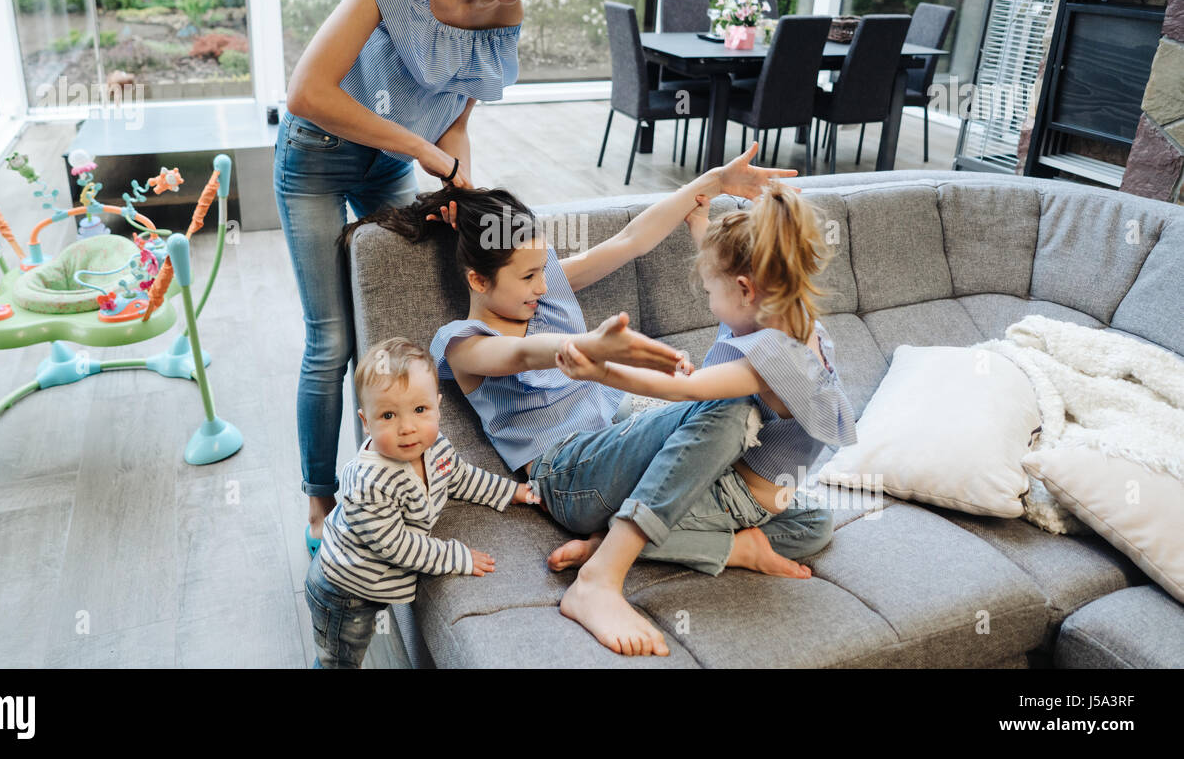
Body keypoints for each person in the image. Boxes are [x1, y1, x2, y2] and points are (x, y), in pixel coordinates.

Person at [342, 145, 820, 656]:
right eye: (527, 277)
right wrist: (584, 347)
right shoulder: (463, 343)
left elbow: (632, 240)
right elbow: (525, 354)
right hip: (569, 475)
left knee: (809, 524)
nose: (543, 285)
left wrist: (714, 180)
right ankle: (598, 581)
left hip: (625, 442)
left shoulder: (545, 294)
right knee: (730, 407)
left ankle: (616, 542)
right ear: (479, 280)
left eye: (542, 268)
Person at [276, 0, 581, 556]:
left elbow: (455, 123)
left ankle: (384, 475)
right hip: (316, 152)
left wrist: (456, 182)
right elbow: (307, 91)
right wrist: (423, 150)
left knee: (381, 332)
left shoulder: (505, 13)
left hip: (393, 161)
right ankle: (322, 496)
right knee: (332, 341)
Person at [551, 179, 856, 580]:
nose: (710, 299)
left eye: (711, 290)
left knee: (813, 521)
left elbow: (685, 389)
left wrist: (602, 371)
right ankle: (719, 541)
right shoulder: (794, 318)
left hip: (733, 497)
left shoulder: (771, 360)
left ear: (746, 289)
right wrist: (701, 226)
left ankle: (608, 543)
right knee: (816, 524)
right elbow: (732, 269)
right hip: (748, 488)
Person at [306, 336, 541, 668]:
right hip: (344, 591)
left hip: (372, 584)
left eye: (420, 410)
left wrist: (509, 491)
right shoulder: (368, 482)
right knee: (339, 661)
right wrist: (455, 555)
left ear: (437, 406)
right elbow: (397, 546)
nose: (408, 428)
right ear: (366, 422)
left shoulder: (435, 447)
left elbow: (460, 477)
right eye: (388, 415)